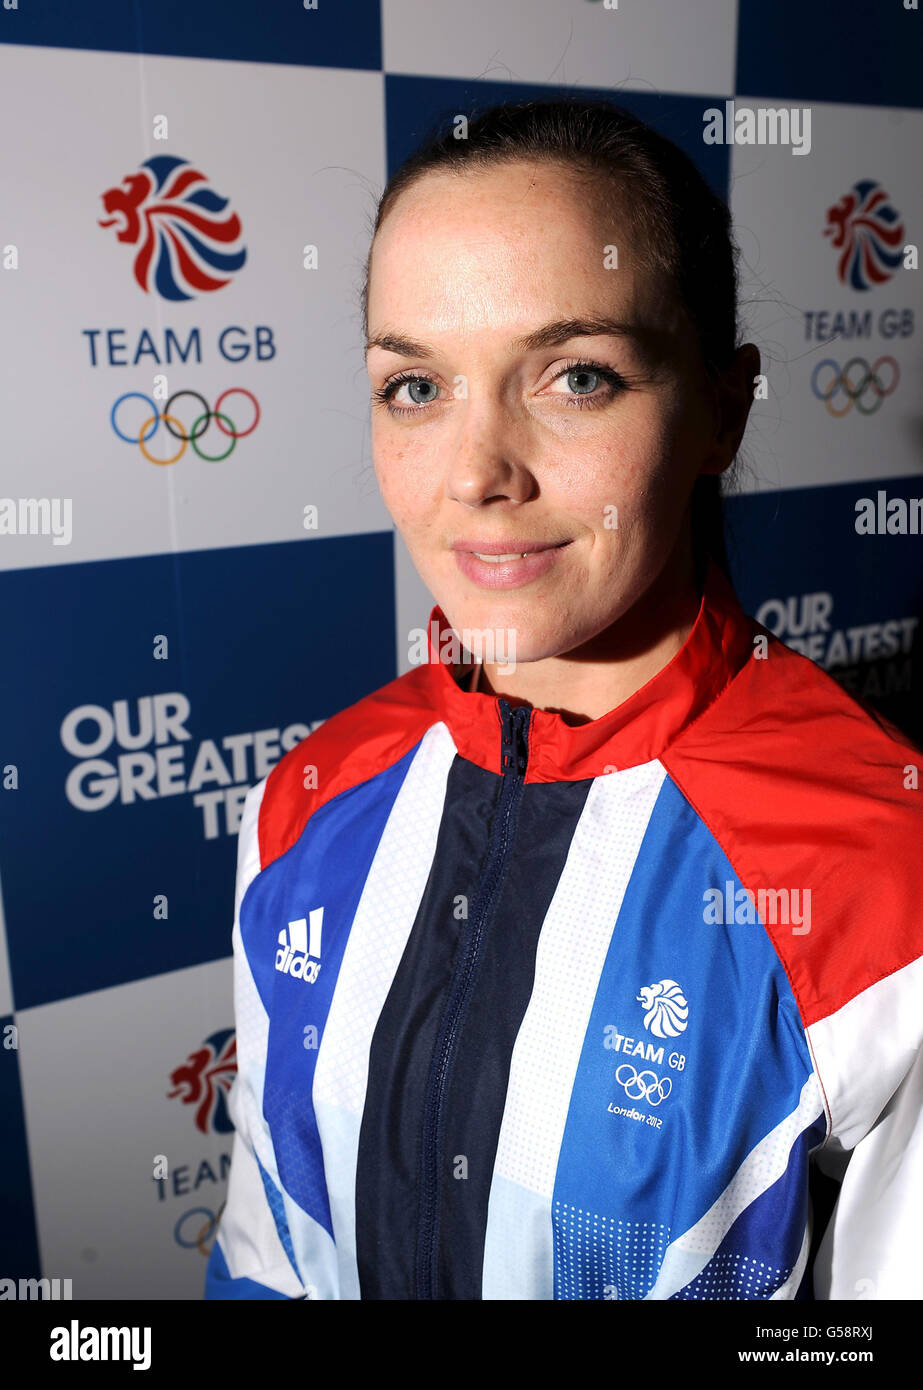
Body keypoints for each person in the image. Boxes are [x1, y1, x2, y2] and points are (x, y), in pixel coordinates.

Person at [204, 97, 923, 1301]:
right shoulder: (307, 799)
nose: (478, 471)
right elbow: (269, 1249)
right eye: (415, 387)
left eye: (574, 375)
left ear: (720, 408)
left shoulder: (883, 874)